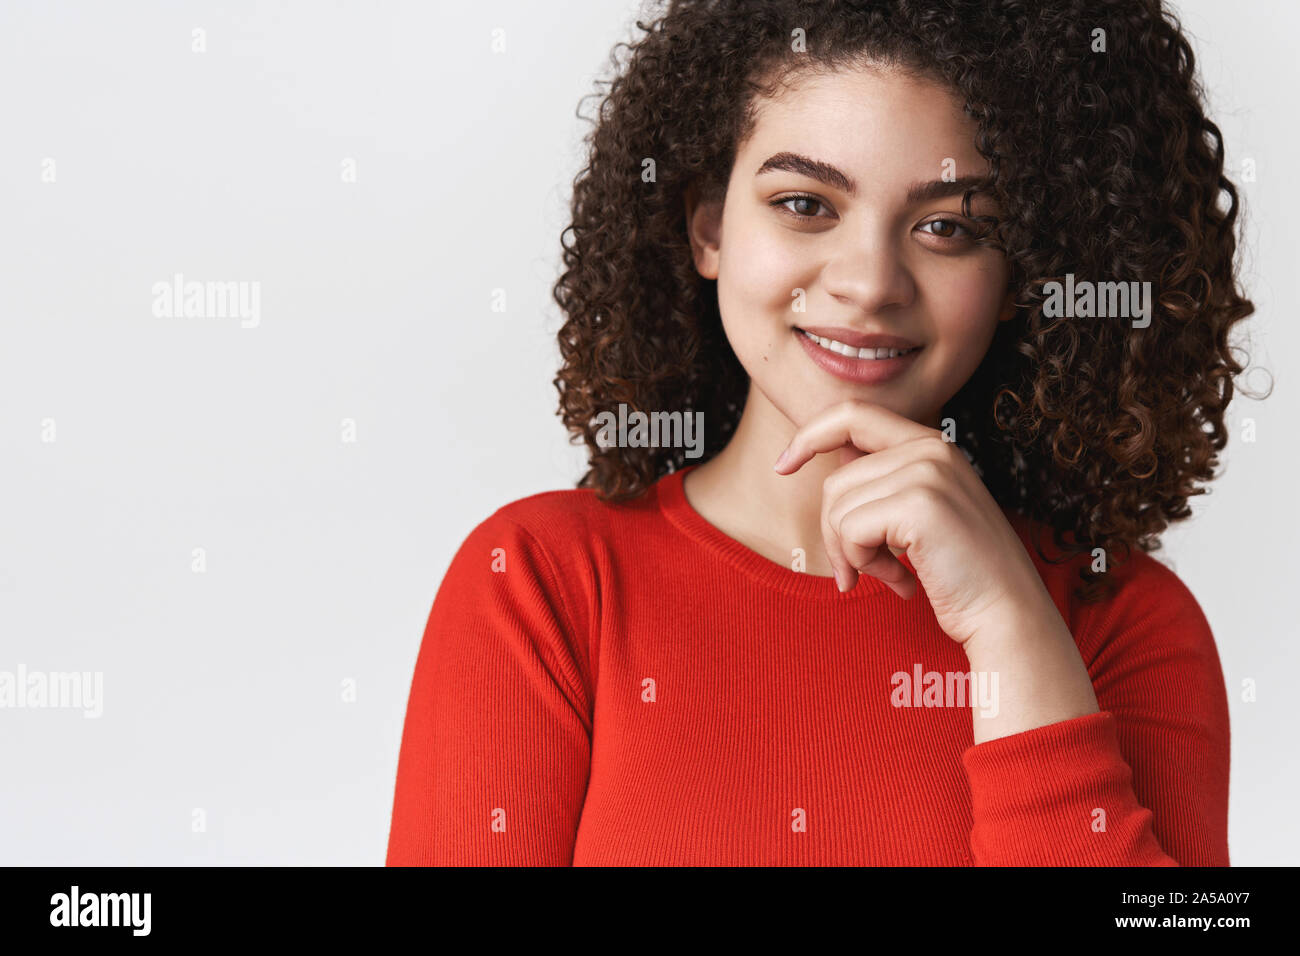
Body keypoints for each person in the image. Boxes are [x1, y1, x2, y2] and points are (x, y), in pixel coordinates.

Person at [387, 0, 1254, 865]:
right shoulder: (540, 587)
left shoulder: (1127, 626)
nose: (869, 282)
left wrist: (1009, 627)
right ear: (710, 226)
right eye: (805, 203)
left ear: (1026, 266)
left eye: (948, 227)